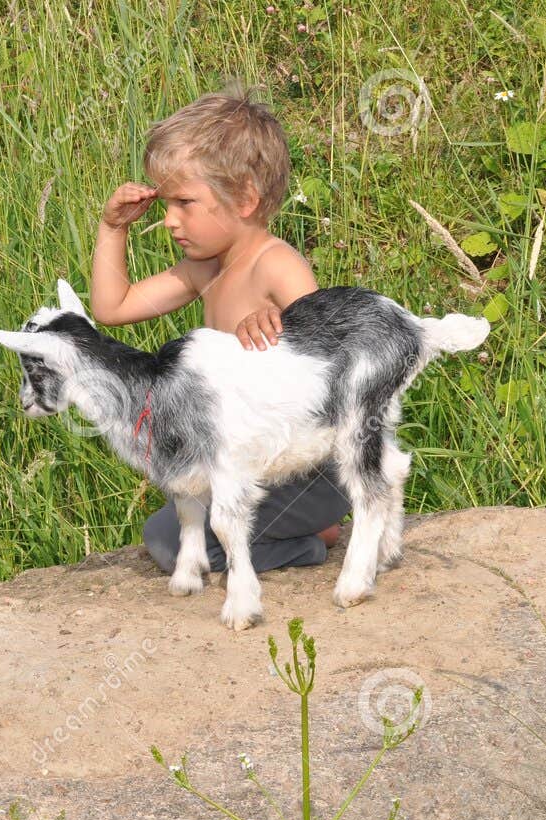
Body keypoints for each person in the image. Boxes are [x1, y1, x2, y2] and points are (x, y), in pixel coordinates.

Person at [89, 82, 349, 574]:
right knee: (164, 521)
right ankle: (300, 528)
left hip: (304, 468)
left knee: (172, 546)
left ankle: (306, 542)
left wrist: (284, 329)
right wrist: (113, 229)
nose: (170, 221)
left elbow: (331, 356)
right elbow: (112, 307)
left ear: (245, 198)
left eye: (184, 202)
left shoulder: (276, 266)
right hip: (253, 463)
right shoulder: (204, 270)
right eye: (165, 204)